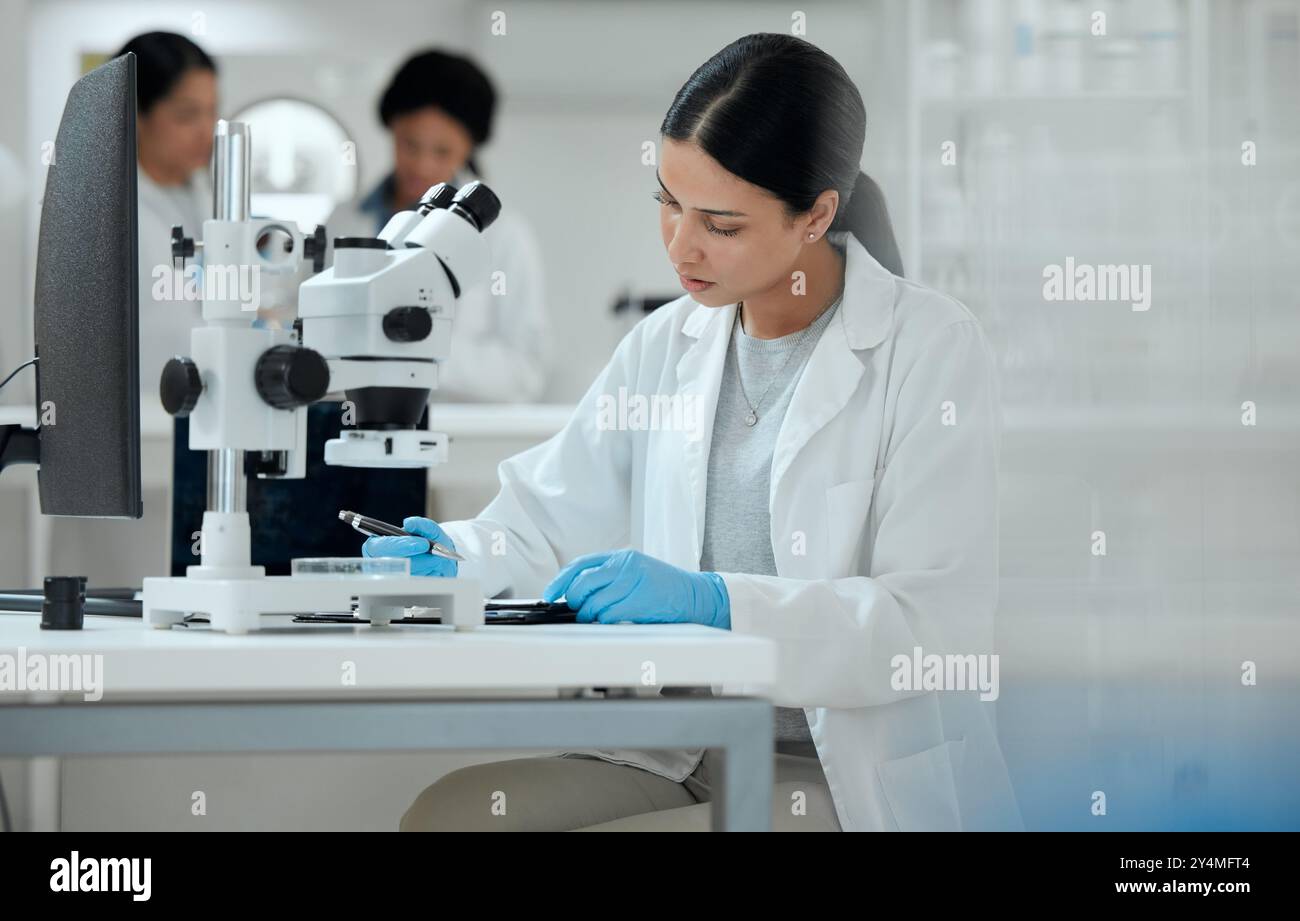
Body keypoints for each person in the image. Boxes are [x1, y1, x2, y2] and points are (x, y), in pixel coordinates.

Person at [363, 33, 1022, 832]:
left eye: (721, 224)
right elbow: (544, 518)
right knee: (451, 819)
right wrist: (457, 555)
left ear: (817, 214)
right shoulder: (665, 343)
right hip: (674, 750)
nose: (680, 245)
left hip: (840, 770)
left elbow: (930, 627)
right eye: (668, 203)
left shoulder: (929, 348)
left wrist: (719, 604)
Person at [327, 49, 550, 402]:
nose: (422, 165)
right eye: (409, 145)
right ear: (391, 129)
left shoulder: (506, 238)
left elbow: (524, 374)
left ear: (470, 148)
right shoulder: (343, 222)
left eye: (442, 151)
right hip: (345, 424)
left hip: (455, 439)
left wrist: (414, 348)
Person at [118, 31, 218, 400]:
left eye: (212, 111)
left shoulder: (201, 193)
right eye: (187, 114)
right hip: (145, 412)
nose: (206, 131)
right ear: (136, 113)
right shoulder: (112, 211)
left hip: (203, 404)